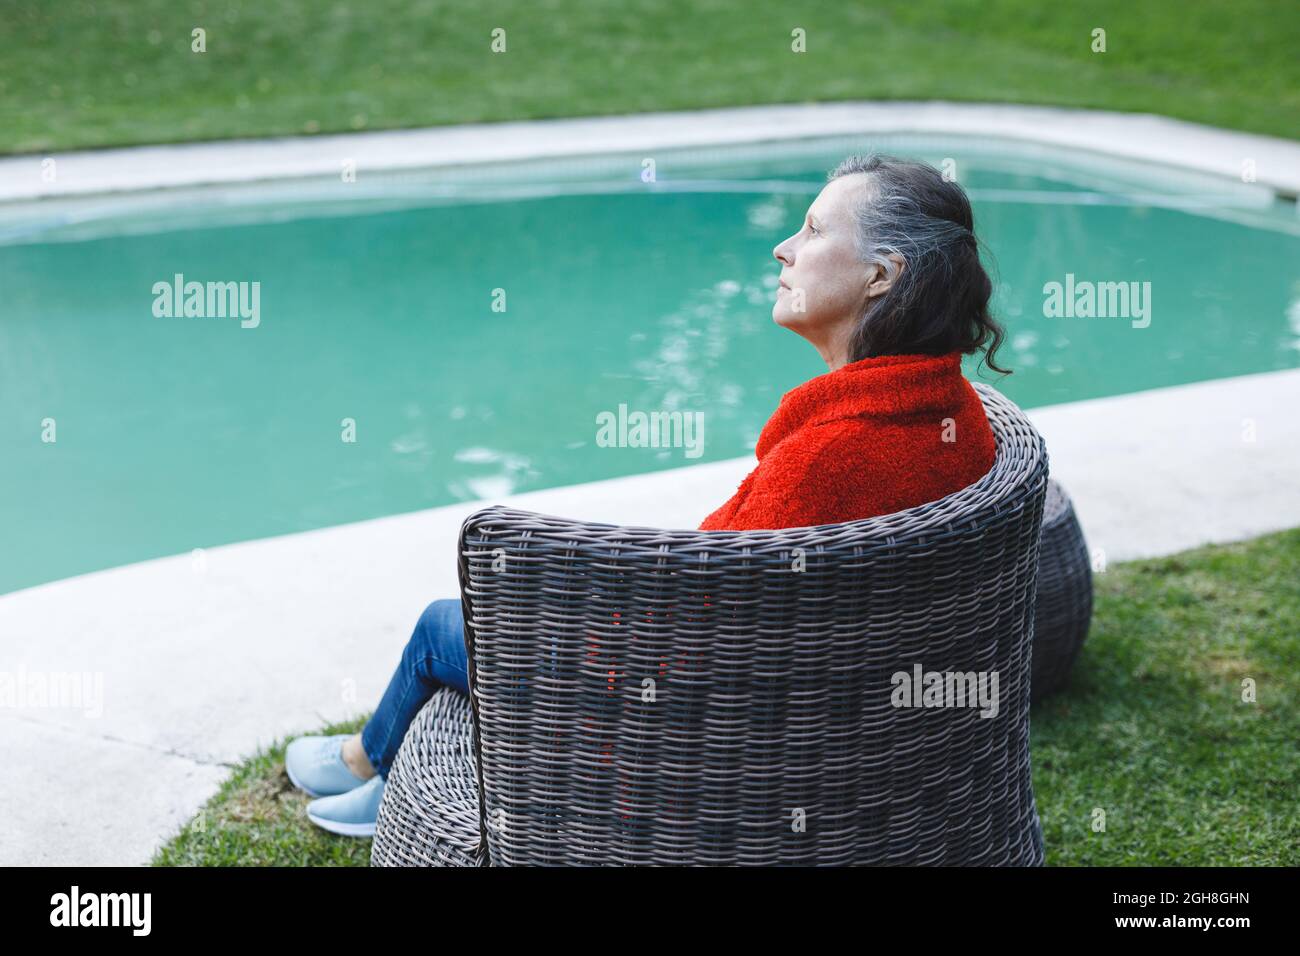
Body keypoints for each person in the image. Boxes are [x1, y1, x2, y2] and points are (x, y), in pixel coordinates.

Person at [285, 154, 1009, 836]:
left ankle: (372, 768)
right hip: (849, 731)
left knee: (451, 622)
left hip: (700, 740)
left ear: (882, 275)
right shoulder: (953, 418)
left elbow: (686, 644)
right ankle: (372, 766)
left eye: (814, 230)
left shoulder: (826, 462)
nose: (783, 249)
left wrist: (574, 608)